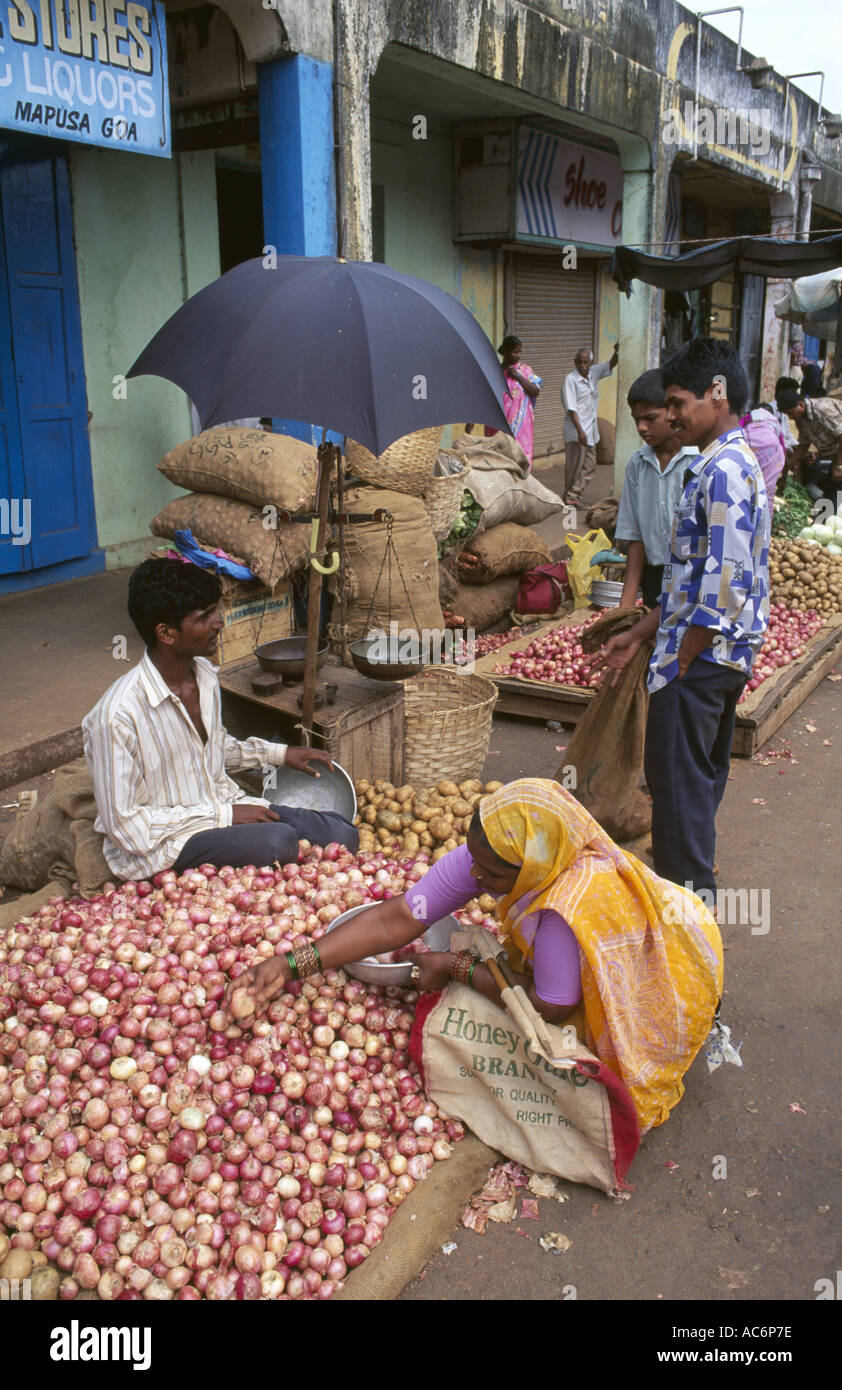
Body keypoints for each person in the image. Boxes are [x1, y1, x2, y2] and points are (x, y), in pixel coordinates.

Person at [227, 780, 723, 1136]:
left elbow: (547, 1008)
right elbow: (395, 919)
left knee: (556, 1051)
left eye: (493, 876)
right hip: (659, 926)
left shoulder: (563, 910)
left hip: (677, 968)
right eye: (474, 864)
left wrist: (456, 968)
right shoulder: (492, 856)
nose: (478, 881)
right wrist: (294, 964)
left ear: (532, 867)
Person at [595, 339, 770, 901]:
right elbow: (686, 581)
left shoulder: (721, 471)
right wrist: (638, 635)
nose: (670, 416)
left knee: (679, 802)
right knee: (694, 790)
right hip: (715, 660)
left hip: (699, 663)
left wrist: (682, 659)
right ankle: (689, 907)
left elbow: (717, 590)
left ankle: (689, 941)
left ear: (716, 394)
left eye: (676, 403)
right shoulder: (729, 462)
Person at [82, 558, 358, 881]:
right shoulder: (116, 717)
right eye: (204, 617)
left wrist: (281, 754)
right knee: (279, 840)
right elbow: (127, 829)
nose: (219, 622)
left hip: (223, 807)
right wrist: (224, 815)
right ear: (166, 633)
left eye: (216, 610)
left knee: (342, 832)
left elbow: (215, 748)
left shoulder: (205, 677)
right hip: (165, 844)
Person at [615, 368, 699, 609]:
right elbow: (635, 538)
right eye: (636, 420)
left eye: (650, 419)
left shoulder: (699, 460)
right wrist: (625, 608)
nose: (641, 428)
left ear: (673, 413)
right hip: (654, 577)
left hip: (696, 578)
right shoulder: (637, 464)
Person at [562, 342, 619, 507]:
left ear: (591, 363)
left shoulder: (593, 373)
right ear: (575, 362)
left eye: (586, 362)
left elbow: (610, 365)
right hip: (576, 429)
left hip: (590, 429)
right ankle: (570, 497)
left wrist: (617, 352)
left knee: (590, 464)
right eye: (579, 362)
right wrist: (580, 431)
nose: (582, 365)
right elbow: (571, 408)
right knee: (574, 465)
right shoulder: (570, 380)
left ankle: (572, 495)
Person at [483, 335, 542, 467]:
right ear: (505, 352)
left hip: (520, 427)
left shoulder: (524, 370)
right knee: (497, 458)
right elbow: (486, 395)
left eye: (520, 352)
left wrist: (518, 376)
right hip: (496, 424)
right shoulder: (495, 371)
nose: (518, 356)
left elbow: (535, 391)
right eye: (515, 352)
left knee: (519, 458)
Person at [778, 387, 842, 504]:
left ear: (801, 405)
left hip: (839, 459)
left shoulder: (822, 409)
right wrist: (787, 467)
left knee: (835, 499)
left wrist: (839, 466)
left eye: (791, 412)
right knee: (829, 498)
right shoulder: (801, 418)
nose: (791, 417)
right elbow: (804, 444)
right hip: (835, 456)